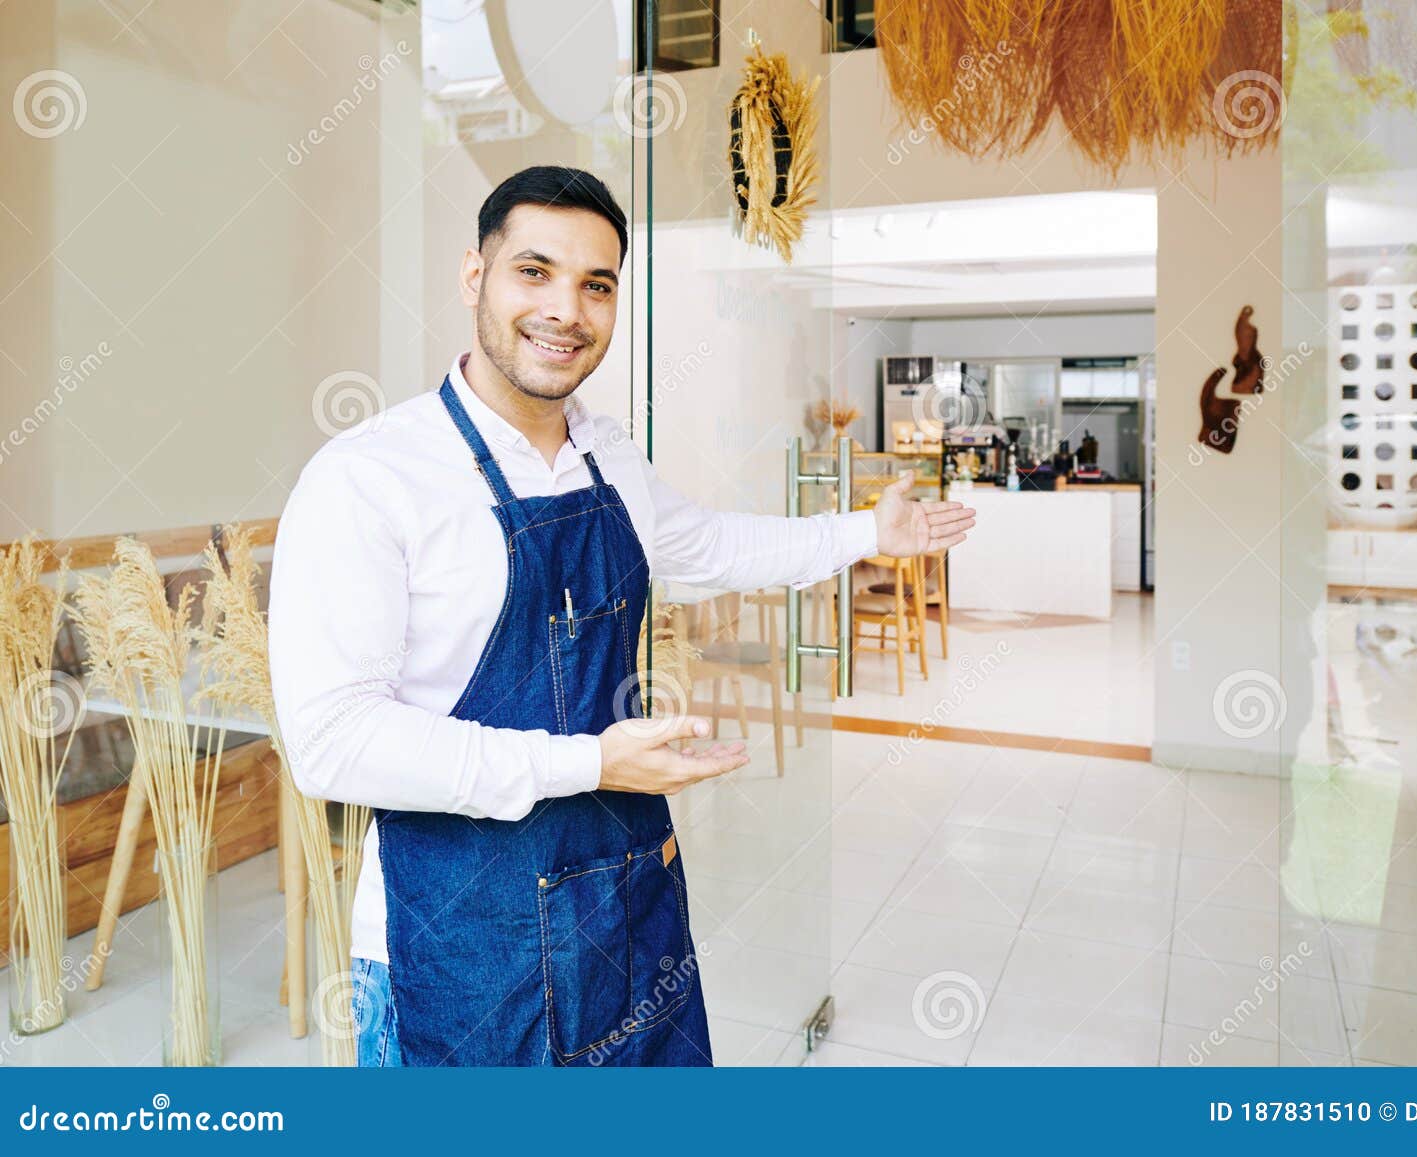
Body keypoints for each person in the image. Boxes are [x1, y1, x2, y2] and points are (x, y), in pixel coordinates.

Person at [267, 165, 975, 1067]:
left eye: (595, 284)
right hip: (457, 941)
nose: (567, 308)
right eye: (535, 271)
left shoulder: (607, 455)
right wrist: (591, 761)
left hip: (628, 908)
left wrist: (870, 529)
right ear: (473, 277)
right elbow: (333, 740)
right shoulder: (370, 476)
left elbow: (712, 547)